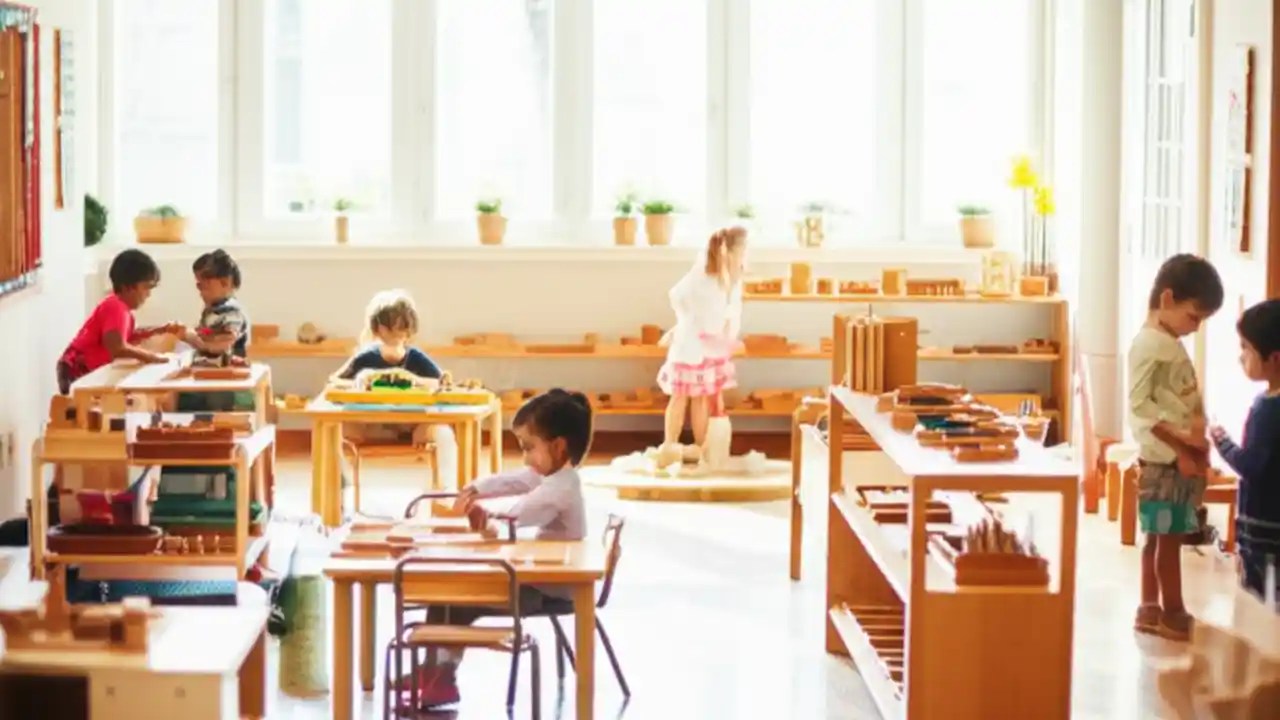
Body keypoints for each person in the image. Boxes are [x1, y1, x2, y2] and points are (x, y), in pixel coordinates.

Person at [404, 389, 592, 710]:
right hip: (541, 580)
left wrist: (488, 515)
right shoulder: (553, 476)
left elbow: (522, 512)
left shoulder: (560, 488)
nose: (525, 457)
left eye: (529, 447)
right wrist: (477, 488)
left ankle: (441, 678)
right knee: (450, 595)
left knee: (453, 598)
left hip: (548, 590)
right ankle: (434, 671)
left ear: (559, 447)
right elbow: (516, 481)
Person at [1128, 253, 1224, 640]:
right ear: (1167, 300)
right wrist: (1183, 447)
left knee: (1158, 538)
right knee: (1166, 542)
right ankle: (1173, 611)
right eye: (1194, 317)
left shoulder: (1164, 340)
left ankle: (1150, 609)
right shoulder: (1150, 344)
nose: (1195, 327)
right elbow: (1141, 407)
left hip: (1174, 460)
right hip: (1165, 464)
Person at [655, 226, 748, 465]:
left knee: (700, 398)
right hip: (690, 344)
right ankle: (669, 444)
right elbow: (678, 297)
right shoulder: (702, 277)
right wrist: (683, 323)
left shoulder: (730, 281)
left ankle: (700, 447)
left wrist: (725, 339)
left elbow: (730, 314)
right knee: (680, 397)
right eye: (742, 251)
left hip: (708, 346)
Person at [1211, 299, 1280, 605]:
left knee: (1259, 605)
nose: (1241, 358)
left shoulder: (1269, 410)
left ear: (1274, 359)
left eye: (1246, 349)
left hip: (1264, 533)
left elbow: (1254, 466)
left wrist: (1222, 443)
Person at [56, 248, 182, 394]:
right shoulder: (116, 307)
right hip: (76, 368)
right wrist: (152, 357)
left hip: (80, 367)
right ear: (128, 287)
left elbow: (125, 337)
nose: (148, 295)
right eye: (146, 288)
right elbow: (117, 347)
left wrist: (157, 331)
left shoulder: (120, 309)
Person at [176, 249, 253, 412]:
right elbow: (208, 333)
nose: (200, 291)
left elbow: (224, 341)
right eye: (198, 285)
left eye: (204, 285)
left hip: (225, 384)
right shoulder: (213, 310)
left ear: (225, 283)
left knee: (213, 420)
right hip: (209, 378)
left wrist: (192, 338)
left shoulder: (232, 311)